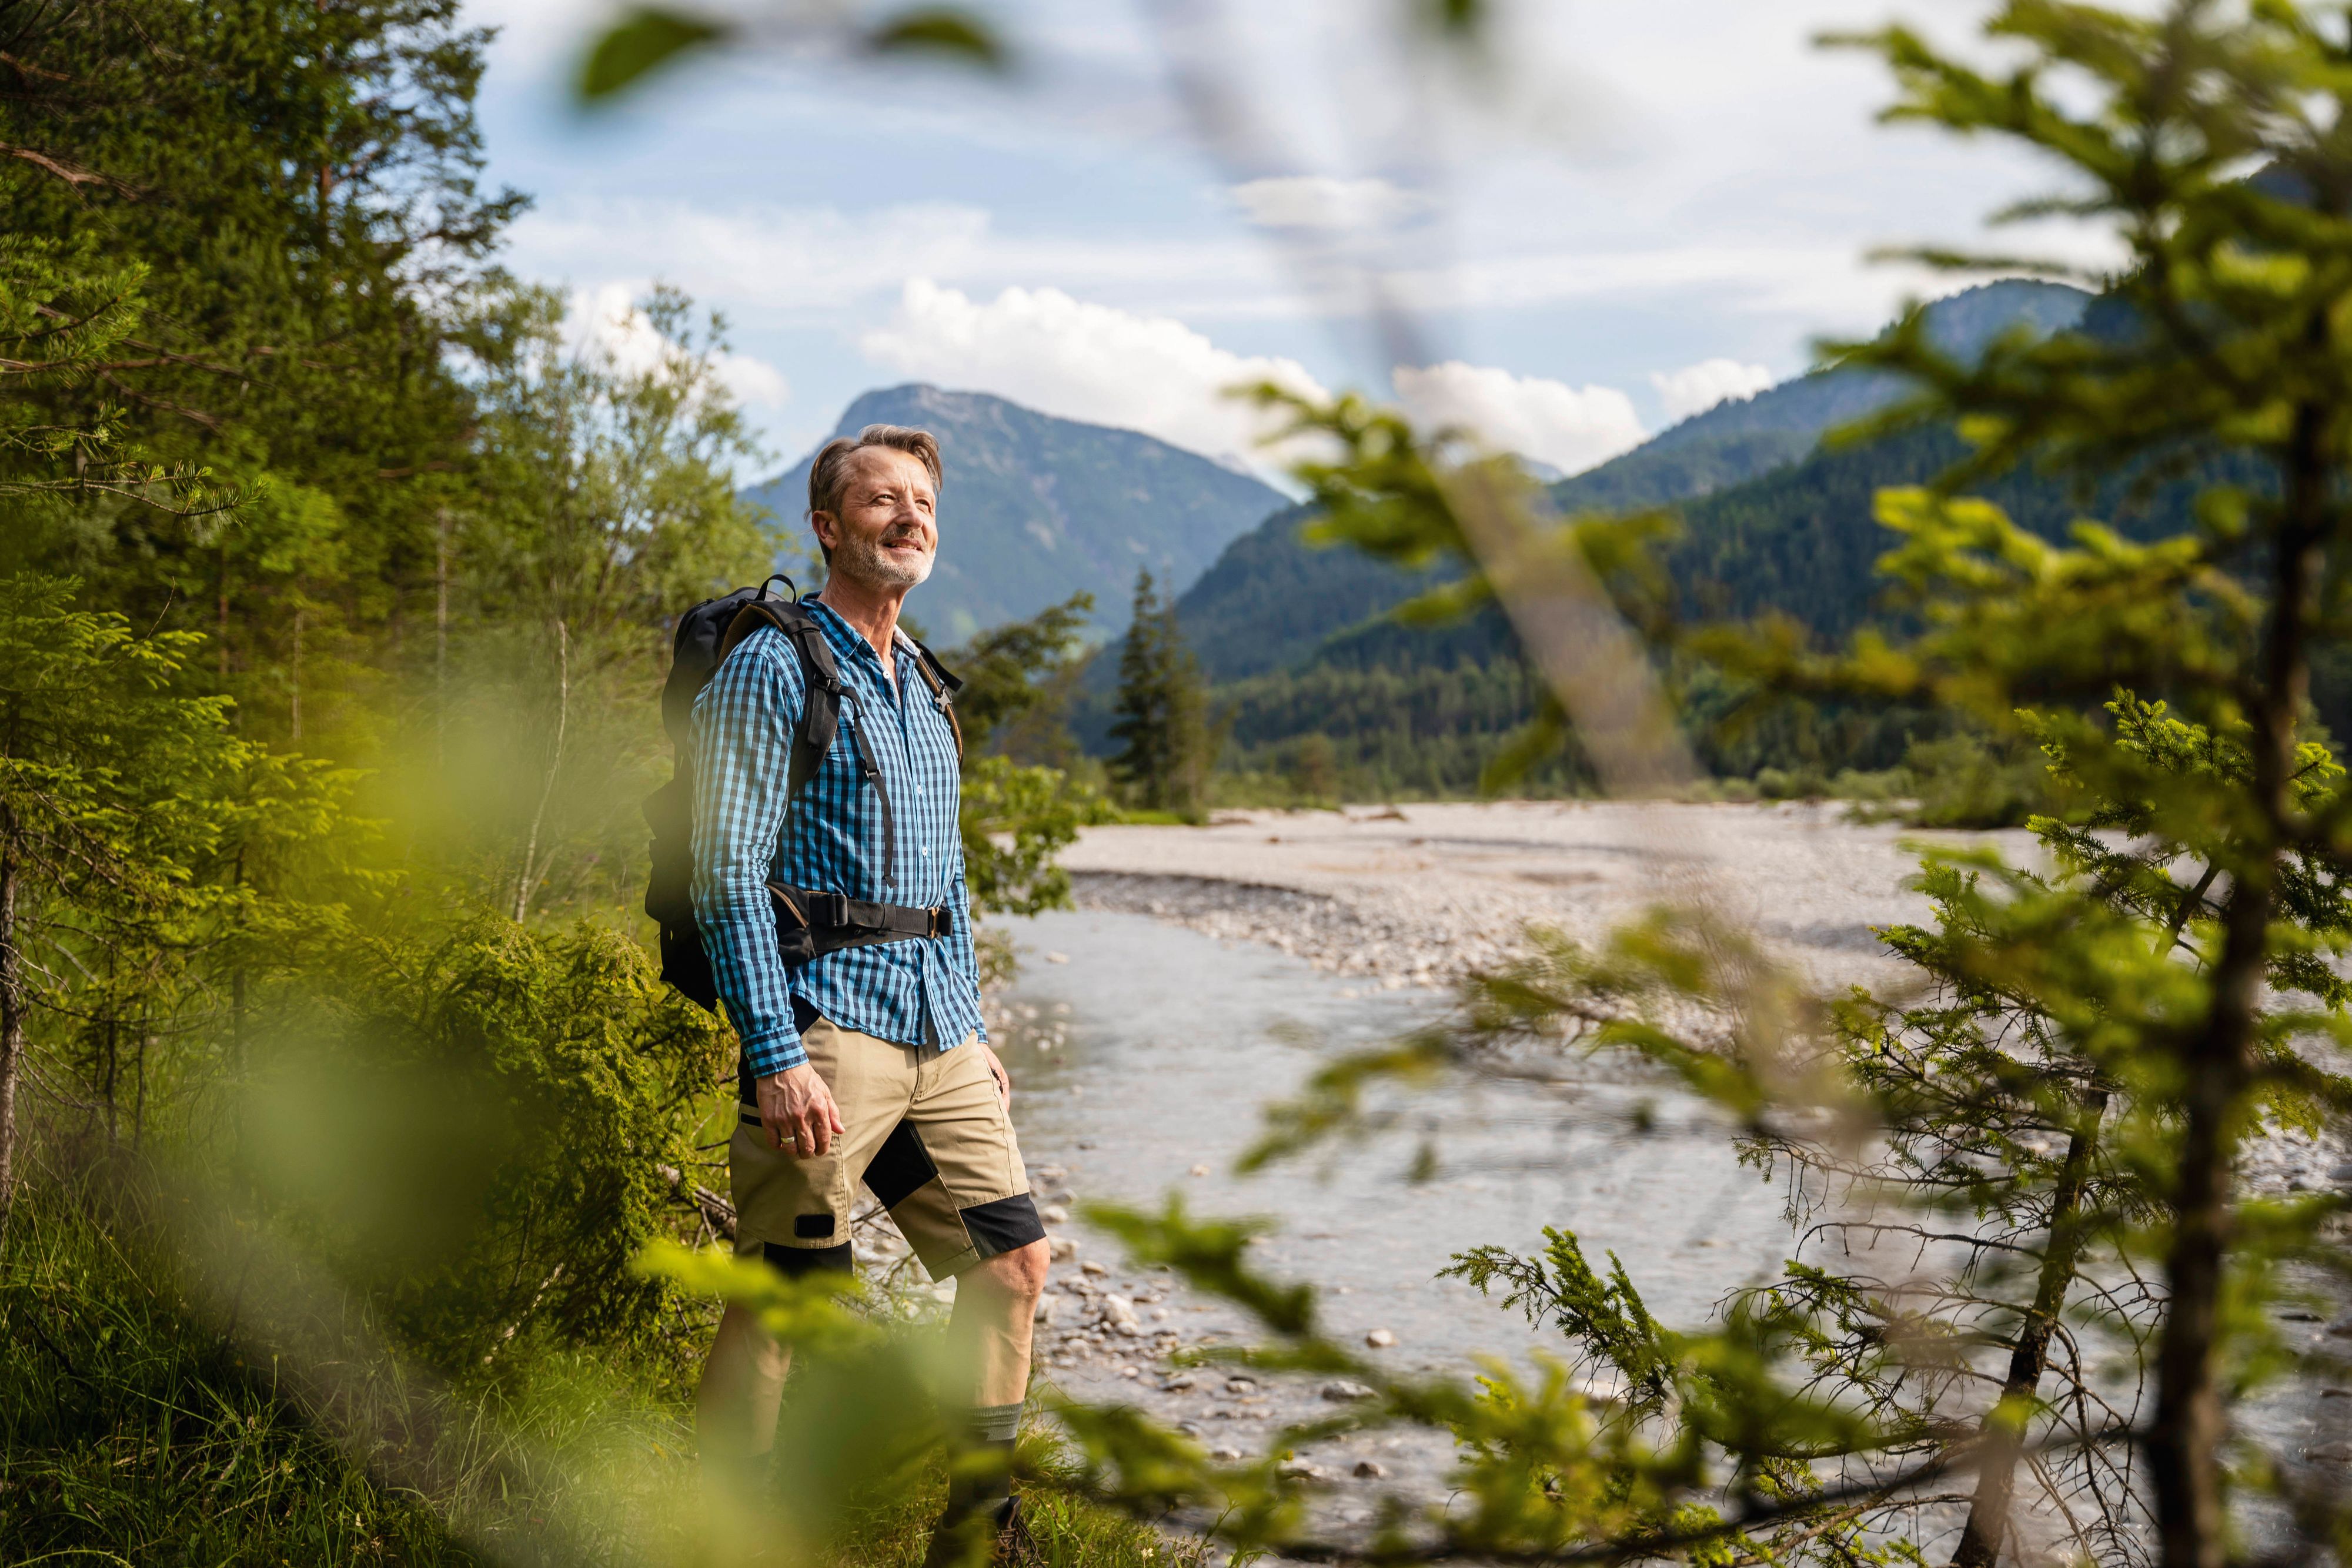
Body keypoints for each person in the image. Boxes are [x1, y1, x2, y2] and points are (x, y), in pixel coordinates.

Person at [690, 423, 1048, 1562]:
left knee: (1011, 1264)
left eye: (922, 502)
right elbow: (723, 868)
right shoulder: (772, 663)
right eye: (881, 500)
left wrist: (974, 1024)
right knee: (787, 1293)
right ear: (828, 527)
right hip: (826, 1030)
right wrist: (774, 1049)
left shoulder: (927, 684)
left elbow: (945, 878)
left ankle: (972, 1537)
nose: (908, 516)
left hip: (938, 1037)